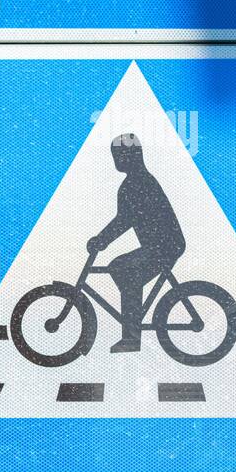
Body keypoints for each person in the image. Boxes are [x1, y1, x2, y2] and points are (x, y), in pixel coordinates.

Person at [86, 133, 186, 352]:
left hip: (165, 245)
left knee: (123, 270)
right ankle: (133, 318)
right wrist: (102, 240)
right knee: (119, 268)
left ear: (134, 156)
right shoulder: (134, 182)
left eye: (121, 155)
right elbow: (125, 219)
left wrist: (101, 240)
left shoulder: (137, 183)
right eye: (116, 155)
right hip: (160, 245)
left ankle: (132, 337)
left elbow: (124, 220)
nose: (117, 160)